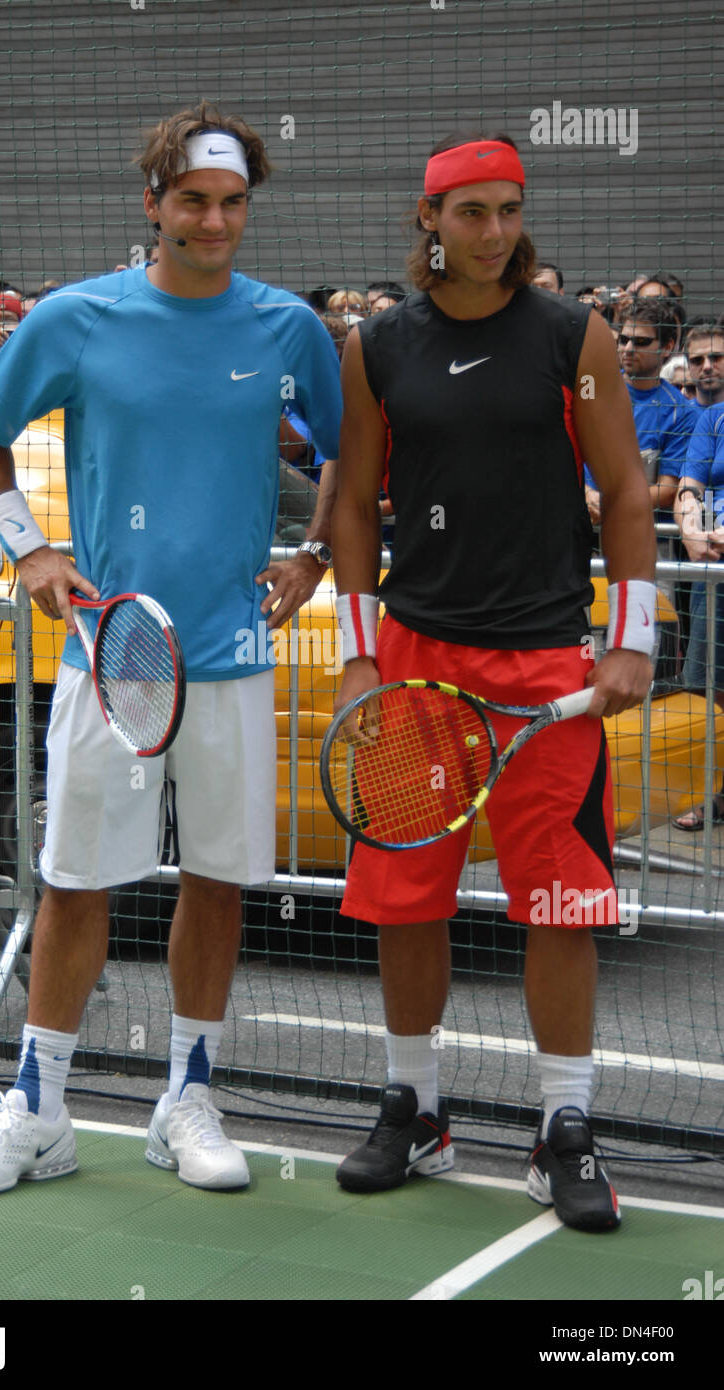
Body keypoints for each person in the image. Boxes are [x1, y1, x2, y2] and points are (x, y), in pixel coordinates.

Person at [0, 100, 341, 1198]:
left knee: (216, 882)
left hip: (238, 659)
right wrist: (28, 549)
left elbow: (351, 451)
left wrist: (310, 553)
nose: (215, 221)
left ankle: (186, 1096)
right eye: (194, 201)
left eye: (234, 202)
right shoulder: (75, 319)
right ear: (153, 203)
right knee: (73, 885)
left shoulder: (288, 332)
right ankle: (38, 1107)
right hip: (108, 659)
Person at [329, 132, 655, 1232]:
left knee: (560, 907)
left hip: (547, 662)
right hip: (415, 660)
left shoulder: (578, 335)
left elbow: (622, 490)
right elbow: (354, 504)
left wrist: (630, 641)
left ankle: (566, 1125)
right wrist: (358, 653)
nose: (495, 231)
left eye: (510, 210)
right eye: (472, 212)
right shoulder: (375, 348)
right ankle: (415, 1106)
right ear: (430, 219)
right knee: (400, 899)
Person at [584, 298, 695, 525]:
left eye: (641, 341)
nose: (628, 349)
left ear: (668, 347)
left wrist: (607, 504)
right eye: (623, 340)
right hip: (580, 521)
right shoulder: (590, 389)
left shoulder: (680, 412)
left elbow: (666, 491)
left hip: (639, 529)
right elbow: (564, 455)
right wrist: (587, 494)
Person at [671, 406, 724, 830]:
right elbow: (687, 489)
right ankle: (715, 793)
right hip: (716, 569)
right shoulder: (714, 419)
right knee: (710, 685)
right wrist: (689, 525)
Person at [683, 323, 724, 409]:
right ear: (688, 367)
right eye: (697, 360)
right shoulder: (678, 417)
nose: (707, 366)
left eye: (715, 357)